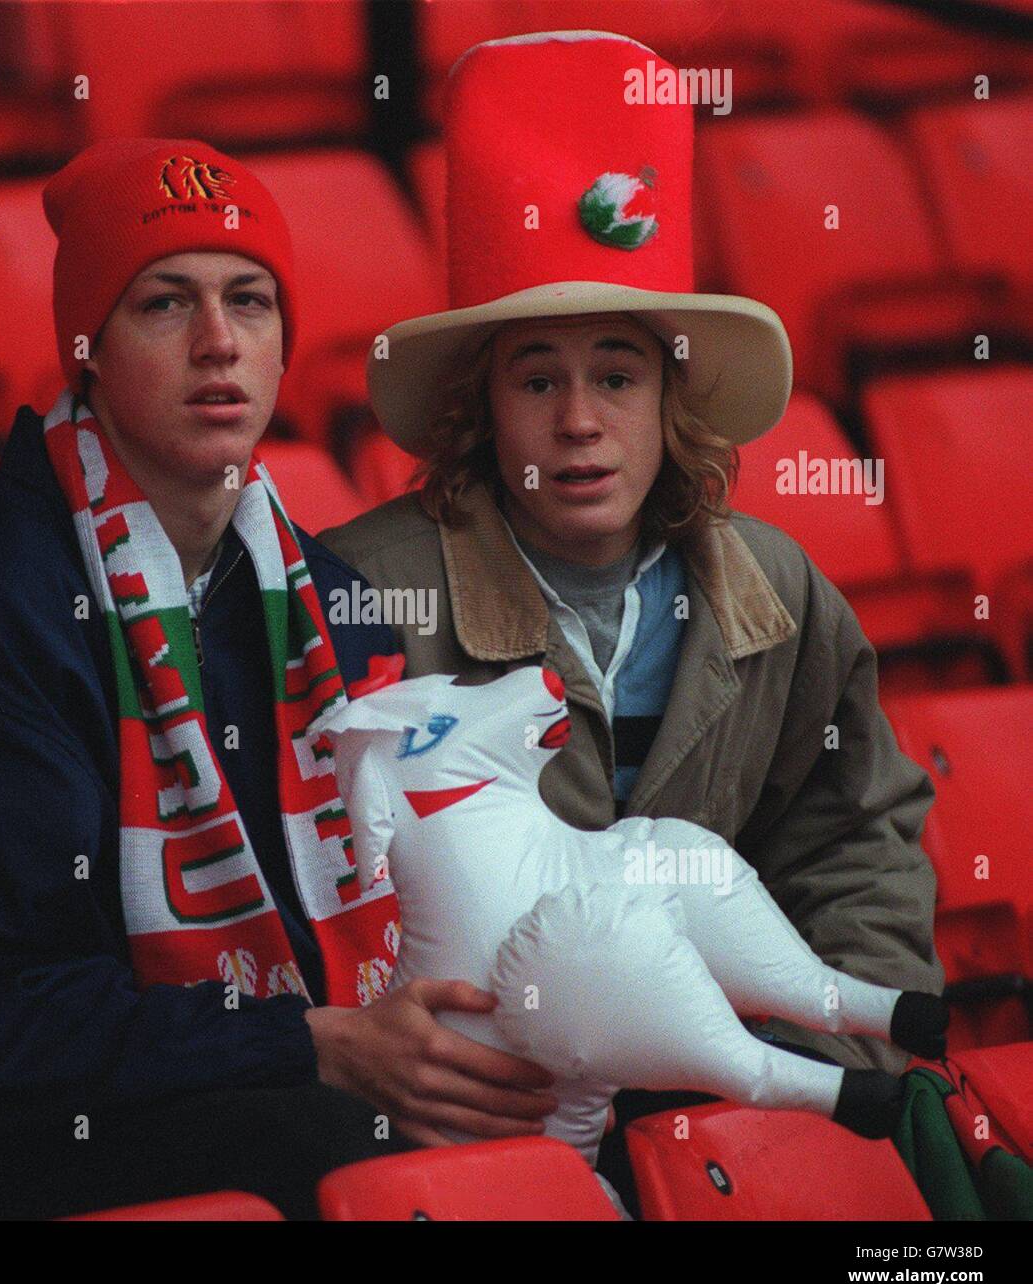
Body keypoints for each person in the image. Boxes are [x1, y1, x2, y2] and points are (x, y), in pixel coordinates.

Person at [0, 138, 556, 1221]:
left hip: (285, 1065)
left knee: (585, 1090)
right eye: (164, 304)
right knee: (352, 1149)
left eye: (249, 302)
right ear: (86, 351)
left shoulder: (325, 598)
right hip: (29, 1141)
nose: (218, 343)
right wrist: (307, 1043)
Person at [319, 33, 946, 1211]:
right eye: (534, 378)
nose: (578, 421)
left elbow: (853, 836)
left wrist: (816, 1086)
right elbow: (311, 904)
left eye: (615, 373)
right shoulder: (361, 589)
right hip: (469, 1139)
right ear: (481, 406)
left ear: (673, 397)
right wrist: (383, 1072)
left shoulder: (778, 582)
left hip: (734, 1113)